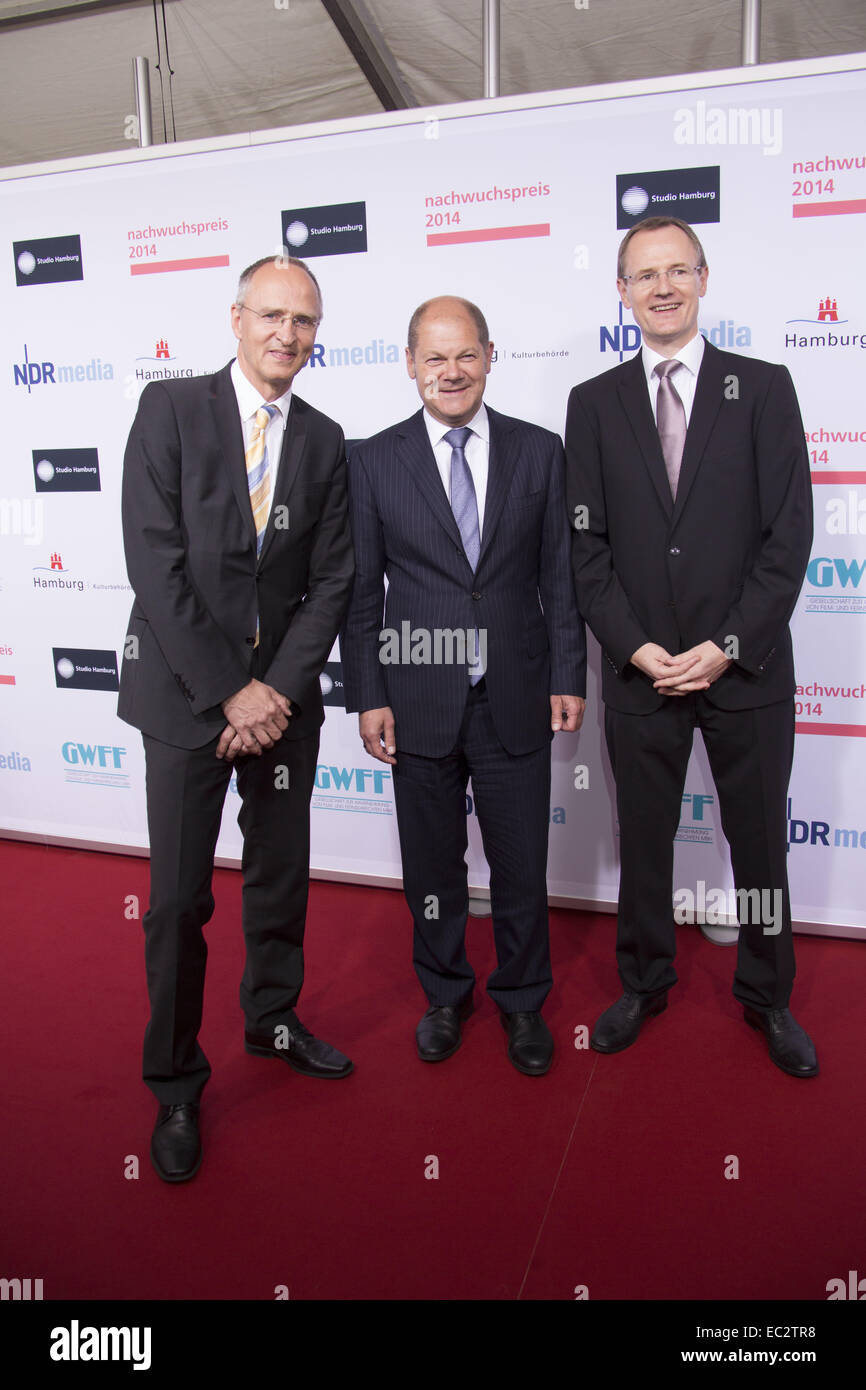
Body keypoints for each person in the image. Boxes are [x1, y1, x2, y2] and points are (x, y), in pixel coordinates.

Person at [119, 254, 355, 1182]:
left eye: (303, 321)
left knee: (279, 877)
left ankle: (274, 1018)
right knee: (177, 901)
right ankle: (176, 1083)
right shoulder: (170, 410)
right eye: (270, 315)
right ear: (235, 317)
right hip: (187, 702)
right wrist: (229, 690)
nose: (285, 335)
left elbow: (332, 579)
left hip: (283, 710)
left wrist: (277, 691)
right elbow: (155, 563)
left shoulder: (327, 438)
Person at [564, 216, 817, 1077]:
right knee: (645, 839)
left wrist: (730, 642)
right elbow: (585, 549)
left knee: (758, 844)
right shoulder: (593, 404)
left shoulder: (765, 386)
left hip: (745, 670)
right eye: (644, 274)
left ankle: (767, 995)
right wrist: (637, 650)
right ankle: (644, 982)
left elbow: (789, 538)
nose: (662, 287)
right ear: (623, 293)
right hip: (642, 675)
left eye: (678, 270)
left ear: (704, 279)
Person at [341, 295, 586, 1075]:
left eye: (465, 355)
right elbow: (360, 593)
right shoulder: (373, 460)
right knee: (433, 865)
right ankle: (445, 993)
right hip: (416, 700)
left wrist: (569, 672)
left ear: (489, 355)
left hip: (516, 690)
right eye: (434, 357)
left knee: (521, 864)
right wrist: (368, 693)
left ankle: (522, 1002)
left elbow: (561, 578)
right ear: (410, 365)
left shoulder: (541, 451)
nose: (451, 372)